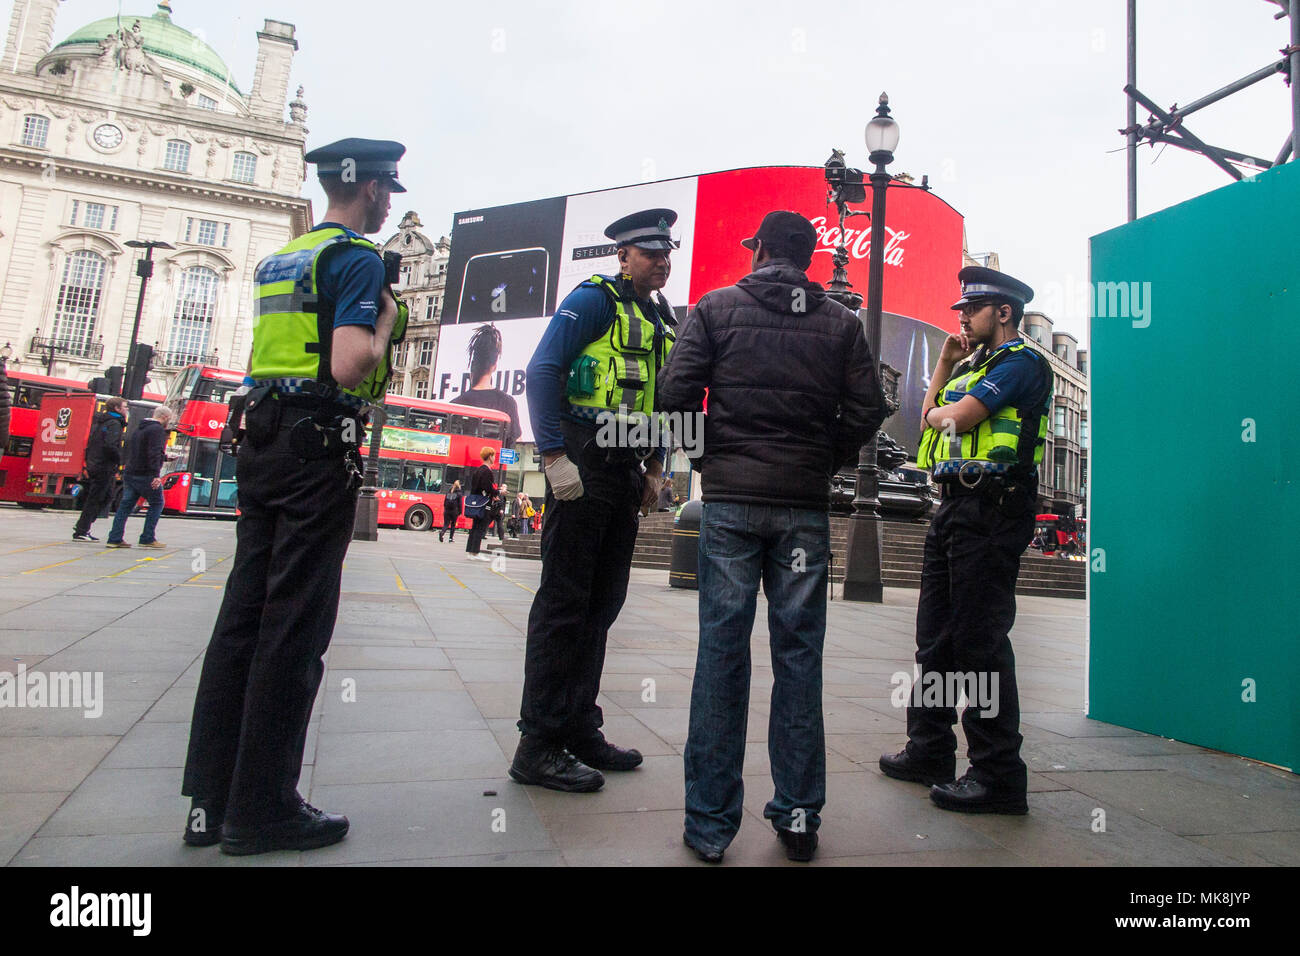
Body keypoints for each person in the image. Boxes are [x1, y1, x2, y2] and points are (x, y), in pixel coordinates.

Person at [181, 137, 409, 855]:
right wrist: (383, 317)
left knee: (242, 619)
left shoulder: (283, 257)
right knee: (295, 625)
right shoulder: (358, 259)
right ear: (371, 190)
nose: (388, 202)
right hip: (316, 449)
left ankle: (209, 803)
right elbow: (349, 364)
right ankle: (265, 807)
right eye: (388, 191)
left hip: (263, 440)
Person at [658, 210, 887, 863]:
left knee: (721, 656)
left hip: (729, 506)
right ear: (809, 258)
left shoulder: (713, 308)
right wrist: (820, 461)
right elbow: (868, 408)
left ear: (758, 250)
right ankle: (797, 815)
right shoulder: (840, 324)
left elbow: (675, 394)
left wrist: (708, 462)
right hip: (801, 510)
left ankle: (707, 824)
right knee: (798, 658)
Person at [508, 208, 678, 792]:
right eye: (649, 253)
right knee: (564, 604)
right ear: (623, 256)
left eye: (666, 251)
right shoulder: (593, 299)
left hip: (624, 471)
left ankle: (579, 726)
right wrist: (552, 457)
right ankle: (538, 744)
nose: (661, 261)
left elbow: (662, 397)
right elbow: (543, 368)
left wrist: (656, 466)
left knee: (602, 604)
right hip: (582, 461)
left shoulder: (659, 316)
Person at [879, 265, 1051, 816]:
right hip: (953, 506)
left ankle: (998, 774)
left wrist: (936, 412)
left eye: (970, 309)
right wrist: (947, 367)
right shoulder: (972, 365)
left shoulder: (1022, 364)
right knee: (934, 639)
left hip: (994, 508)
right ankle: (929, 750)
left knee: (979, 643)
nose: (960, 318)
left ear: (1003, 313)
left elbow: (953, 418)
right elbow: (929, 415)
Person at [104, 405, 175, 549]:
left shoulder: (140, 428)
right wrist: (156, 475)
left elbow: (141, 451)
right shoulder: (157, 430)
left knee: (125, 506)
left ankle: (114, 538)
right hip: (146, 474)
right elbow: (153, 452)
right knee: (157, 503)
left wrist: (165, 458)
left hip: (131, 472)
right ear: (165, 417)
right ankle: (147, 538)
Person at [452, 324, 522, 447]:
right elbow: (517, 445)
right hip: (495, 466)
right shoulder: (507, 402)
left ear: (472, 364)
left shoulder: (455, 404)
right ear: (494, 366)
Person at [72, 396, 128, 542]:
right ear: (117, 409)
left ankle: (83, 527)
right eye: (125, 407)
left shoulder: (104, 421)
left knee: (106, 496)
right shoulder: (114, 424)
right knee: (97, 498)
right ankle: (82, 529)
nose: (126, 409)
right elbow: (110, 445)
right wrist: (118, 459)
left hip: (96, 464)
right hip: (104, 466)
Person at [464, 446, 498, 561]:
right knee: (480, 527)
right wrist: (499, 492)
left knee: (474, 527)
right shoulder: (487, 471)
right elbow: (488, 488)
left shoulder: (478, 470)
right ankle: (475, 552)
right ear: (489, 457)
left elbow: (475, 487)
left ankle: (470, 551)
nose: (494, 458)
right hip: (484, 503)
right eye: (493, 455)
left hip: (476, 501)